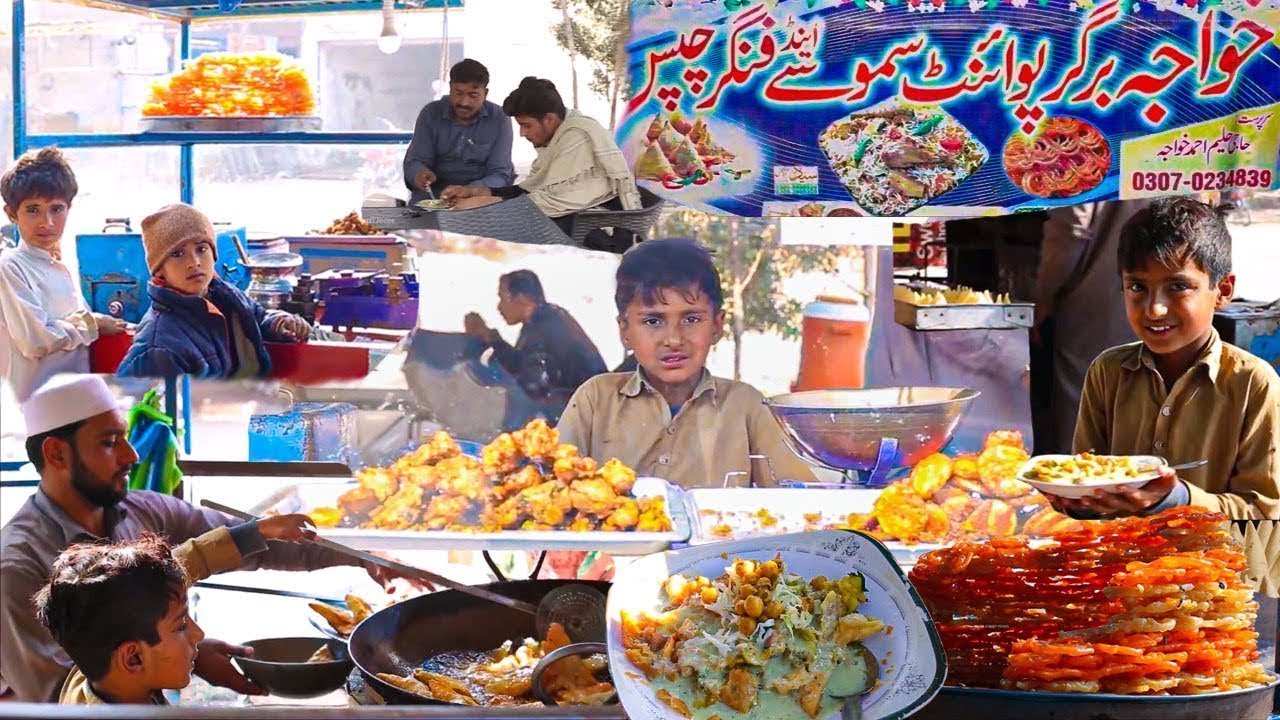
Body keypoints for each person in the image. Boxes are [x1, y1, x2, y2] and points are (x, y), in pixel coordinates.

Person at [0, 374, 393, 701]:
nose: (132, 456)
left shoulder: (142, 511)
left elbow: (249, 544)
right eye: (108, 443)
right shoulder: (17, 565)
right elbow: (55, 697)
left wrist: (361, 554)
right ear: (56, 454)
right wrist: (184, 653)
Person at [1053, 197, 1280, 520]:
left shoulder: (1252, 383)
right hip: (1124, 563)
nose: (1155, 309)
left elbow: (1264, 512)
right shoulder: (1108, 371)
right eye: (1137, 287)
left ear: (1223, 290)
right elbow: (1087, 475)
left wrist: (1178, 499)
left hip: (1217, 566)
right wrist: (1076, 500)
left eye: (1178, 286)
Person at [556, 239, 815, 488]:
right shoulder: (596, 399)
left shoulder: (745, 405)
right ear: (625, 331)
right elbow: (552, 488)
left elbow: (797, 498)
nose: (673, 339)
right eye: (653, 321)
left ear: (716, 326)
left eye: (691, 319)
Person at [35, 511, 316, 705]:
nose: (199, 634)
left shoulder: (94, 654)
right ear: (133, 658)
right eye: (181, 626)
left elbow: (177, 567)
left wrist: (255, 531)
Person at [116, 203, 311, 379]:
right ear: (159, 270)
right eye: (177, 254)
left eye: (201, 249)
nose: (194, 263)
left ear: (214, 254)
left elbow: (256, 319)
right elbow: (141, 411)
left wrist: (279, 323)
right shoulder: (157, 346)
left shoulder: (227, 296)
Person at [0, 148, 129, 400]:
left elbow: (71, 326)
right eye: (33, 209)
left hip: (73, 399)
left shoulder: (63, 263)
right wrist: (93, 324)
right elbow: (36, 340)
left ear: (69, 208)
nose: (46, 222)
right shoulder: (10, 266)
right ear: (12, 213)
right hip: (35, 405)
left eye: (56, 209)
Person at [441, 77, 641, 237]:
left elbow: (555, 201)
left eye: (526, 125)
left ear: (549, 119)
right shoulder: (561, 132)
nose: (522, 133)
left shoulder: (577, 137)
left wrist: (489, 202)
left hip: (599, 234)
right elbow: (533, 190)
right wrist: (479, 192)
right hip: (573, 221)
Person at [1034, 200, 1150, 454]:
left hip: (1100, 298)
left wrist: (1044, 294)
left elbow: (1072, 227)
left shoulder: (1081, 160)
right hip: (1165, 291)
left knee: (1087, 402)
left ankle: (1082, 486)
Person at [464, 269, 606, 426]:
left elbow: (533, 385)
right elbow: (523, 365)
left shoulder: (546, 326)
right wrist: (490, 338)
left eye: (502, 298)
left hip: (584, 416)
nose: (499, 307)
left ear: (522, 299)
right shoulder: (543, 319)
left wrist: (492, 339)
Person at [403, 59, 515, 205]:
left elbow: (500, 173)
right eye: (458, 93)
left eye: (473, 95)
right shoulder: (430, 114)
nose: (464, 102)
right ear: (450, 88)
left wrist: (470, 190)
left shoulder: (499, 118)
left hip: (479, 199)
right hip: (433, 198)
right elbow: (416, 161)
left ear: (485, 93)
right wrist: (419, 174)